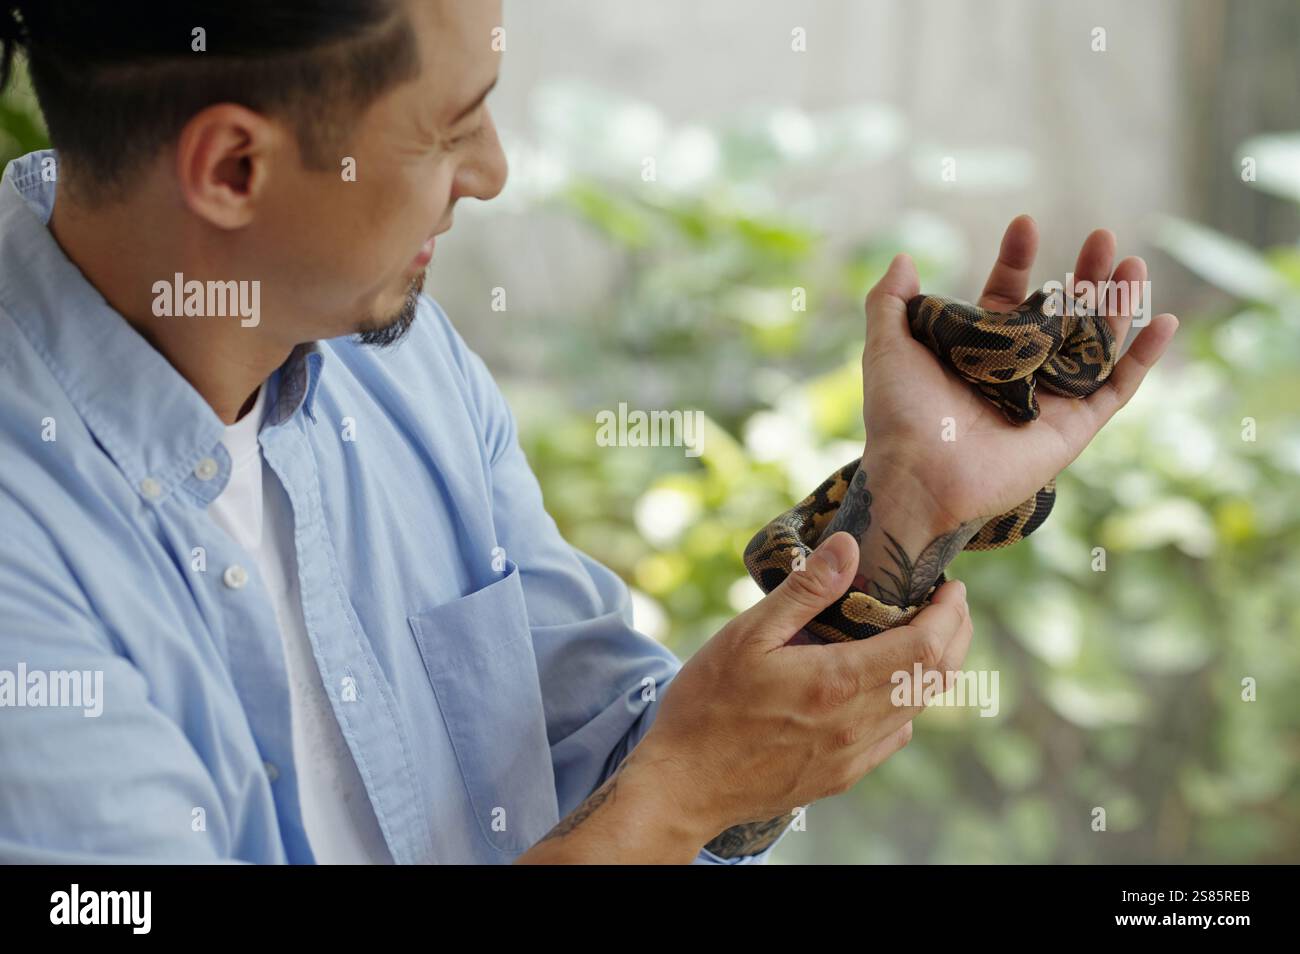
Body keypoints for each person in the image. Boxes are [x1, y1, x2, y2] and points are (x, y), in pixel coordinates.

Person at [0, 0, 1178, 864]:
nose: (494, 173)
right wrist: (674, 798)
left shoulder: (400, 373)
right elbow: (656, 803)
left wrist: (907, 507)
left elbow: (612, 765)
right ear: (233, 167)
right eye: (451, 128)